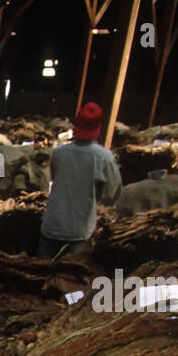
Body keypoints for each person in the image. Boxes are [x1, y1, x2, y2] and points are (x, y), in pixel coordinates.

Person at [38, 101, 121, 258]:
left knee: (42, 272)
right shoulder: (104, 157)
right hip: (79, 230)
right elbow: (112, 194)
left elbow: (55, 178)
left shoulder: (58, 153)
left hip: (52, 224)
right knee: (71, 276)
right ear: (98, 127)